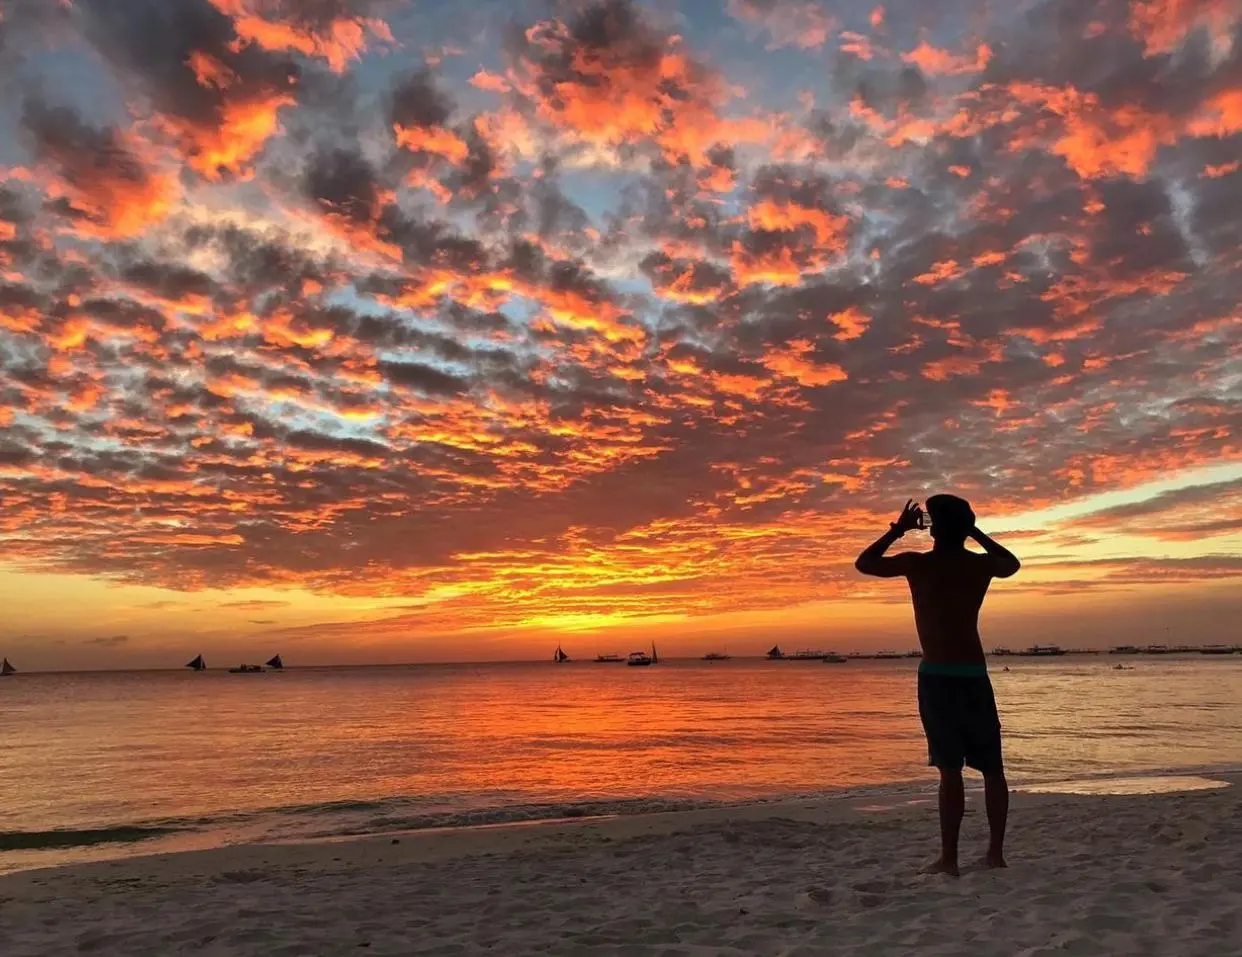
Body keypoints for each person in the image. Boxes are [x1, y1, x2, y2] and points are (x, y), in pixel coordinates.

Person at [854, 495, 1020, 877]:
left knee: (950, 770)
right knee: (992, 768)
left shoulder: (919, 564)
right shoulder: (978, 565)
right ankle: (994, 854)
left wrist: (897, 531)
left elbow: (865, 563)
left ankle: (950, 859)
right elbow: (1011, 564)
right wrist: (975, 532)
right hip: (973, 675)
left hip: (940, 677)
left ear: (933, 528)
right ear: (964, 527)